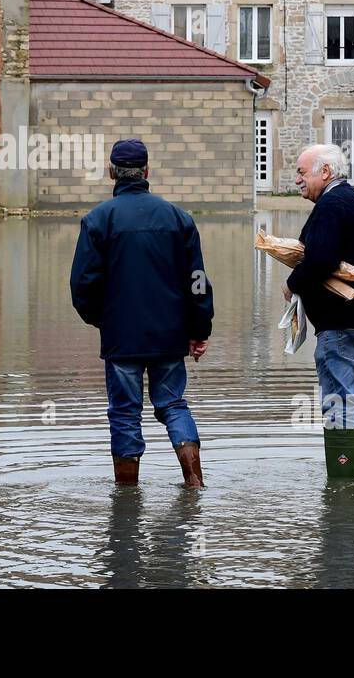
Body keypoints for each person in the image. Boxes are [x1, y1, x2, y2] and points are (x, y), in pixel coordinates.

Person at [69, 138, 213, 488]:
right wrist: (199, 329)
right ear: (147, 171)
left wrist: (106, 321)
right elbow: (197, 282)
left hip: (122, 339)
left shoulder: (98, 220)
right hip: (169, 336)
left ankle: (127, 496)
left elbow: (82, 287)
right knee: (174, 405)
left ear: (111, 173)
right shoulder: (179, 219)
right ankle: (194, 482)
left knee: (124, 414)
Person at [284, 143, 354, 478]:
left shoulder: (331, 205)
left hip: (341, 323)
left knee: (340, 401)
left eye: (302, 171)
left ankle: (343, 484)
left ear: (324, 172)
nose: (297, 179)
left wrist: (293, 283)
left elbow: (322, 259)